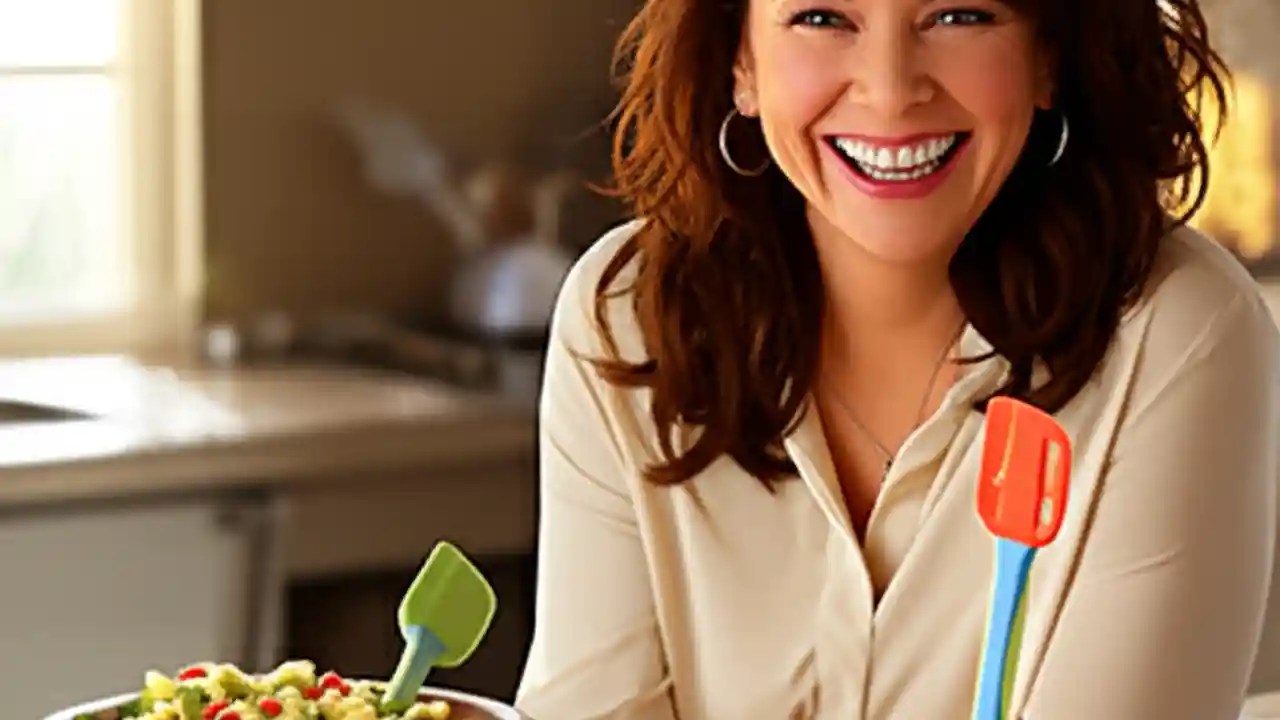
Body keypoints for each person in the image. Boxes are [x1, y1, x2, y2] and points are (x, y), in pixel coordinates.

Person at [514, 0, 1280, 717]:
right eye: (822, 17)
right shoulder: (630, 319)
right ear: (739, 61)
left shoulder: (1178, 333)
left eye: (957, 15)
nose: (889, 91)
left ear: (1049, 53)